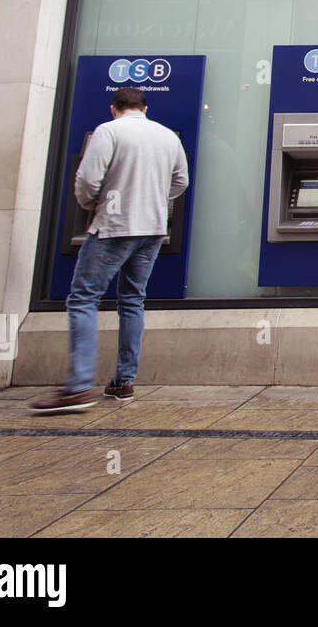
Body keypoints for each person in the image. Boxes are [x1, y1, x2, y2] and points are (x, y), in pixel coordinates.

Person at [31, 87, 189, 413]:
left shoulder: (109, 131)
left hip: (115, 227)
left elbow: (88, 180)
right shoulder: (166, 137)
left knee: (83, 299)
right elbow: (181, 182)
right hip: (153, 229)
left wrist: (91, 204)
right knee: (132, 300)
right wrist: (155, 201)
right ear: (145, 107)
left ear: (114, 108)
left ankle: (78, 387)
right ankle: (123, 381)